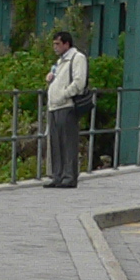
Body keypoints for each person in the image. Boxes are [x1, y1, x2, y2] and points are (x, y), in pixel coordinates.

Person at [45, 30, 88, 188]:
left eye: (57, 44)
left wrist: (64, 94)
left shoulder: (77, 58)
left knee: (67, 142)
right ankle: (58, 175)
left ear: (66, 44)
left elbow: (79, 82)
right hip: (54, 106)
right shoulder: (60, 61)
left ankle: (69, 176)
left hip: (66, 105)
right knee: (56, 143)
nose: (55, 47)